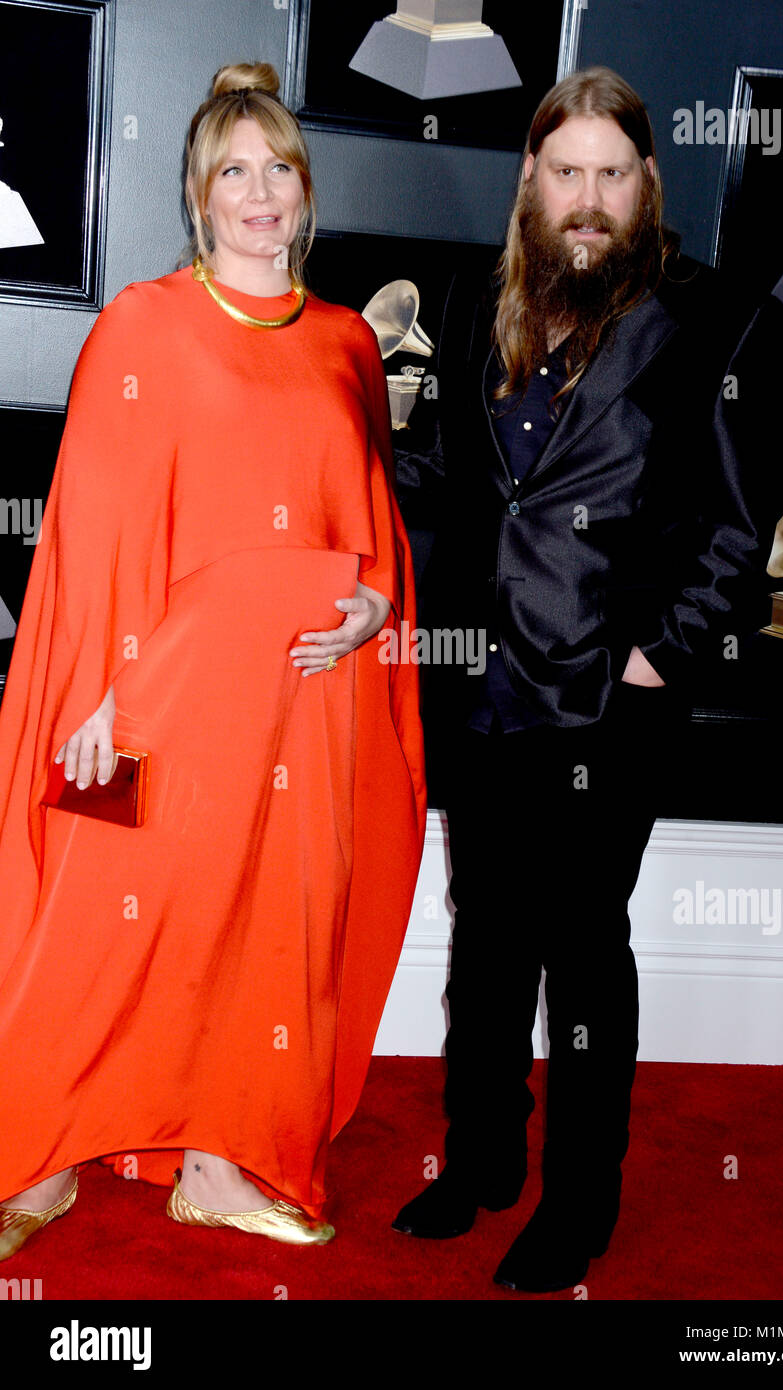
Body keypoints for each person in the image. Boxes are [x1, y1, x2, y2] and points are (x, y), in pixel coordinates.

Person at [0, 61, 425, 1261]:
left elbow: (376, 524)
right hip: (157, 689)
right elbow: (89, 529)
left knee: (271, 918)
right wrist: (94, 695)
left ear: (304, 189)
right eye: (231, 171)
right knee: (103, 913)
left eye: (277, 169)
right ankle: (42, 1150)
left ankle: (220, 1159)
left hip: (303, 687)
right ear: (198, 194)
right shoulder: (142, 323)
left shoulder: (348, 344)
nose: (257, 192)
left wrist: (374, 605)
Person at [391, 66, 783, 1292]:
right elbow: (445, 489)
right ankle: (479, 1163)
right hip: (487, 691)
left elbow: (739, 523)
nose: (590, 196)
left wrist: (658, 652)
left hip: (609, 708)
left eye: (614, 172)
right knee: (488, 938)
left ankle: (578, 1203)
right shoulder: (470, 302)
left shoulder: (712, 317)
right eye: (568, 171)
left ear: (646, 184)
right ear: (531, 180)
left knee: (580, 948)